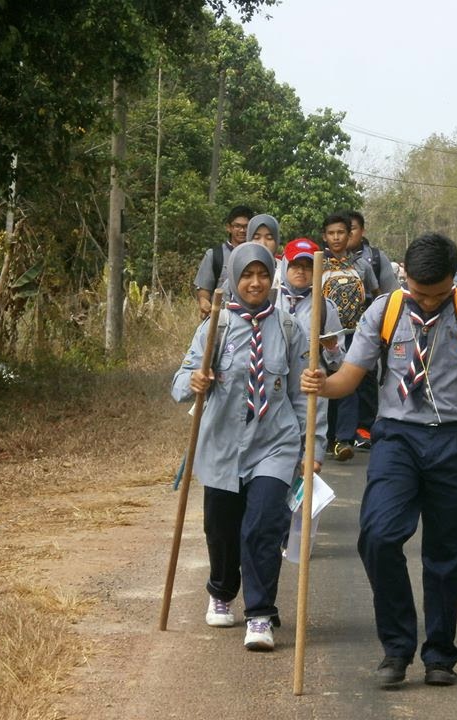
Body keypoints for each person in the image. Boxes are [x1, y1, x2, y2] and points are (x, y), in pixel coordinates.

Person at [301, 232, 457, 688]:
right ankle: (397, 647)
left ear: (453, 280)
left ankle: (439, 654)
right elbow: (349, 378)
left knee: (445, 553)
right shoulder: (386, 309)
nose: (426, 302)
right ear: (405, 279)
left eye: (436, 295)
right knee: (377, 536)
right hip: (397, 438)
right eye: (417, 292)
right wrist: (323, 383)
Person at [171, 241, 309, 652]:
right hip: (222, 445)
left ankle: (261, 614)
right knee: (222, 528)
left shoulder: (287, 327)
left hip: (274, 443)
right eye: (246, 275)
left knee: (263, 527)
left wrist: (310, 448)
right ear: (232, 278)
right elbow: (180, 383)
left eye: (262, 274)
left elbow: (304, 395)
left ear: (273, 278)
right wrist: (195, 380)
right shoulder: (216, 325)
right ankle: (221, 589)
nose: (255, 282)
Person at [275, 237, 345, 470]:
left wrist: (332, 348)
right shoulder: (268, 301)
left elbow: (338, 365)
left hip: (306, 388)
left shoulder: (325, 308)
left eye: (308, 267)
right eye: (296, 265)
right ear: (285, 265)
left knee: (302, 470)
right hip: (272, 385)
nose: (301, 272)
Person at [319, 212, 379, 461]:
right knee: (325, 384)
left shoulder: (362, 266)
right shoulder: (316, 264)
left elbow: (375, 296)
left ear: (349, 235)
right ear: (324, 236)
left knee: (348, 385)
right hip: (323, 336)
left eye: (341, 232)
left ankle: (344, 439)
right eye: (331, 233)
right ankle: (328, 437)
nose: (336, 237)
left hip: (354, 335)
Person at [347, 211, 400, 451]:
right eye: (340, 230)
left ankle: (364, 428)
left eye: (352, 229)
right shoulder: (325, 259)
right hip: (335, 331)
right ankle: (338, 433)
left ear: (362, 231)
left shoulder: (375, 259)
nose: (346, 235)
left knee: (367, 376)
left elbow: (392, 294)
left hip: (368, 326)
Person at [193, 205, 254, 318]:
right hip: (221, 320)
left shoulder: (257, 255)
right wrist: (203, 301)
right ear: (228, 228)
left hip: (252, 320)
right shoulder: (215, 255)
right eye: (237, 226)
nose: (242, 230)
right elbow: (204, 289)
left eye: (246, 226)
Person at [247, 213, 283, 289]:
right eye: (257, 238)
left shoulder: (286, 274)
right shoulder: (237, 272)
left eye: (269, 238)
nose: (263, 243)